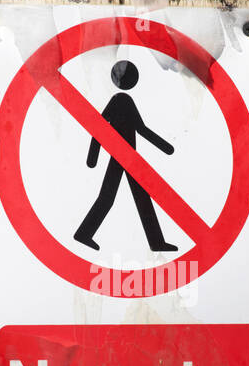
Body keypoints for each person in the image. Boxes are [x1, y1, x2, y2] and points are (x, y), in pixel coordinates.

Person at [74, 60, 177, 252]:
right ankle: (84, 234)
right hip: (122, 157)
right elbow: (101, 128)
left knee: (133, 197)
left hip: (128, 158)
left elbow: (140, 129)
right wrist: (92, 158)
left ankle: (155, 242)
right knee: (112, 198)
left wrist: (166, 147)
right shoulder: (121, 101)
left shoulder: (124, 101)